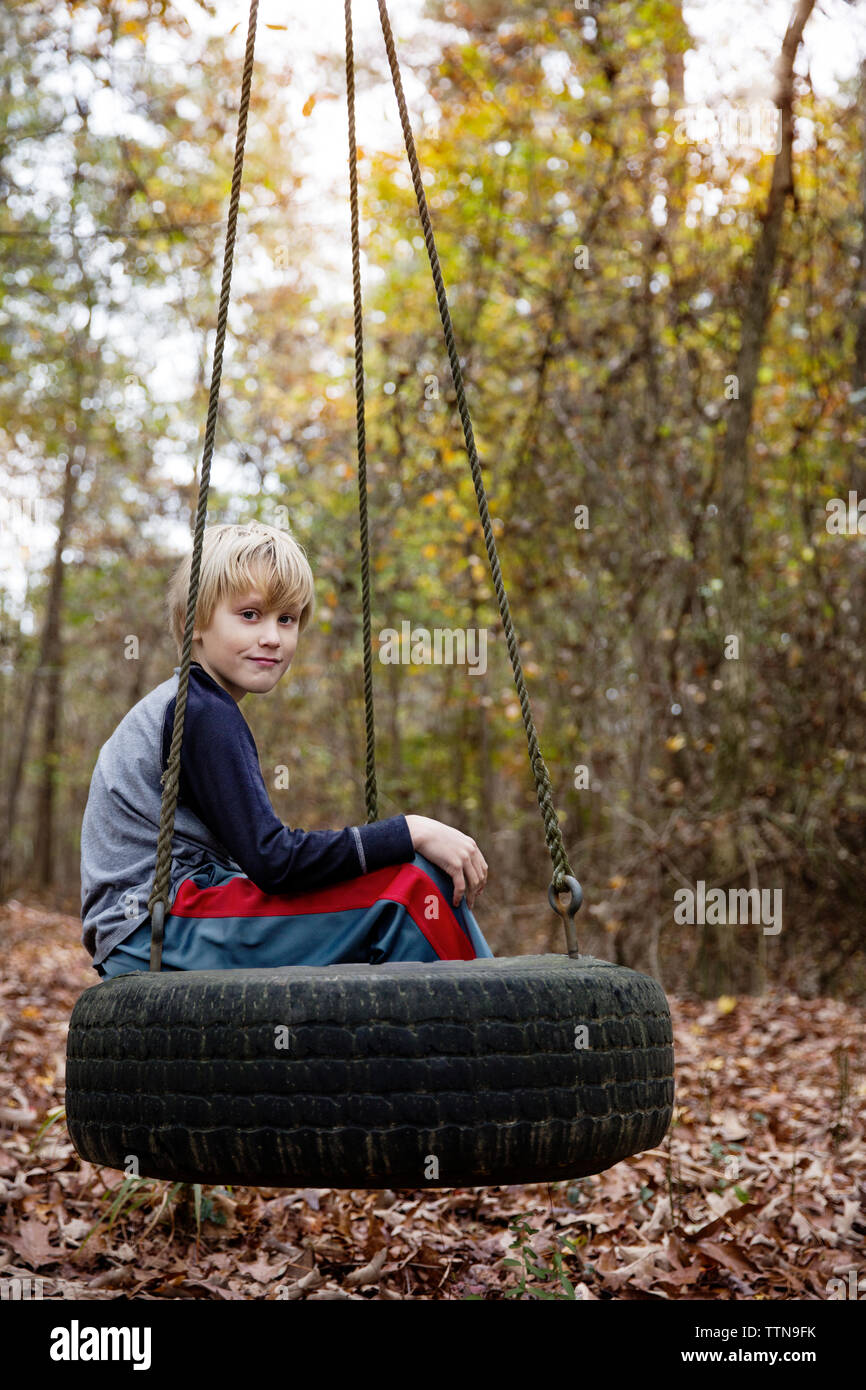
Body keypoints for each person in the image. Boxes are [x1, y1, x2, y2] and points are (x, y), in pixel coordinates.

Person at [80, 521, 491, 979]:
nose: (273, 637)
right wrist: (410, 830)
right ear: (192, 621)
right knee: (413, 889)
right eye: (250, 615)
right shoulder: (199, 711)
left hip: (164, 917)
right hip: (155, 925)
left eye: (287, 619)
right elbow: (274, 861)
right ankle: (494, 1027)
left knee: (402, 880)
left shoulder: (194, 703)